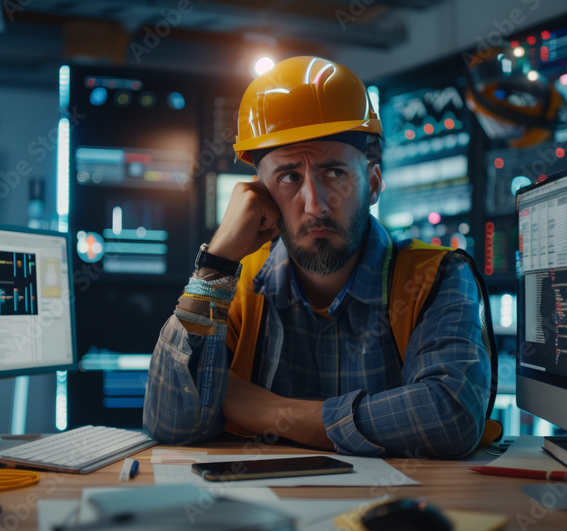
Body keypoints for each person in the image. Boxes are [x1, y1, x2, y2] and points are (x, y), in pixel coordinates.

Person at [144, 56, 492, 458]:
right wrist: (216, 262)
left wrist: (263, 409)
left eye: (334, 173)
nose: (315, 205)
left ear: (374, 183)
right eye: (289, 177)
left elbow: (452, 418)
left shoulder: (437, 277)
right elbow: (169, 423)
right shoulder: (235, 288)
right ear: (260, 195)